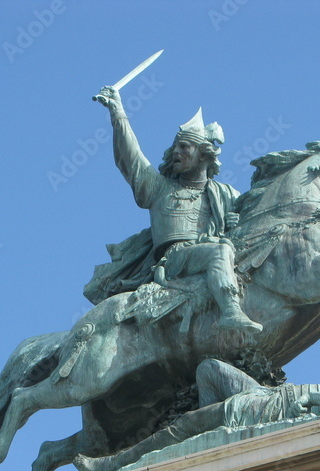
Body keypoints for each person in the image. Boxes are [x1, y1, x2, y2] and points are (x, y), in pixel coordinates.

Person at [87, 86, 262, 332]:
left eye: (184, 147)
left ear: (203, 154)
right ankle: (231, 312)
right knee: (219, 252)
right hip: (175, 260)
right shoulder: (160, 188)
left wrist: (235, 226)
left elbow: (251, 229)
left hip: (219, 255)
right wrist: (118, 113)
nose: (176, 152)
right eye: (176, 147)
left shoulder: (227, 194)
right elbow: (130, 157)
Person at [74, 359, 320, 471]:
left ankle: (114, 463)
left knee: (183, 426)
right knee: (208, 368)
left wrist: (313, 399)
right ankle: (206, 430)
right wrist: (313, 398)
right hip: (269, 396)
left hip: (262, 410)